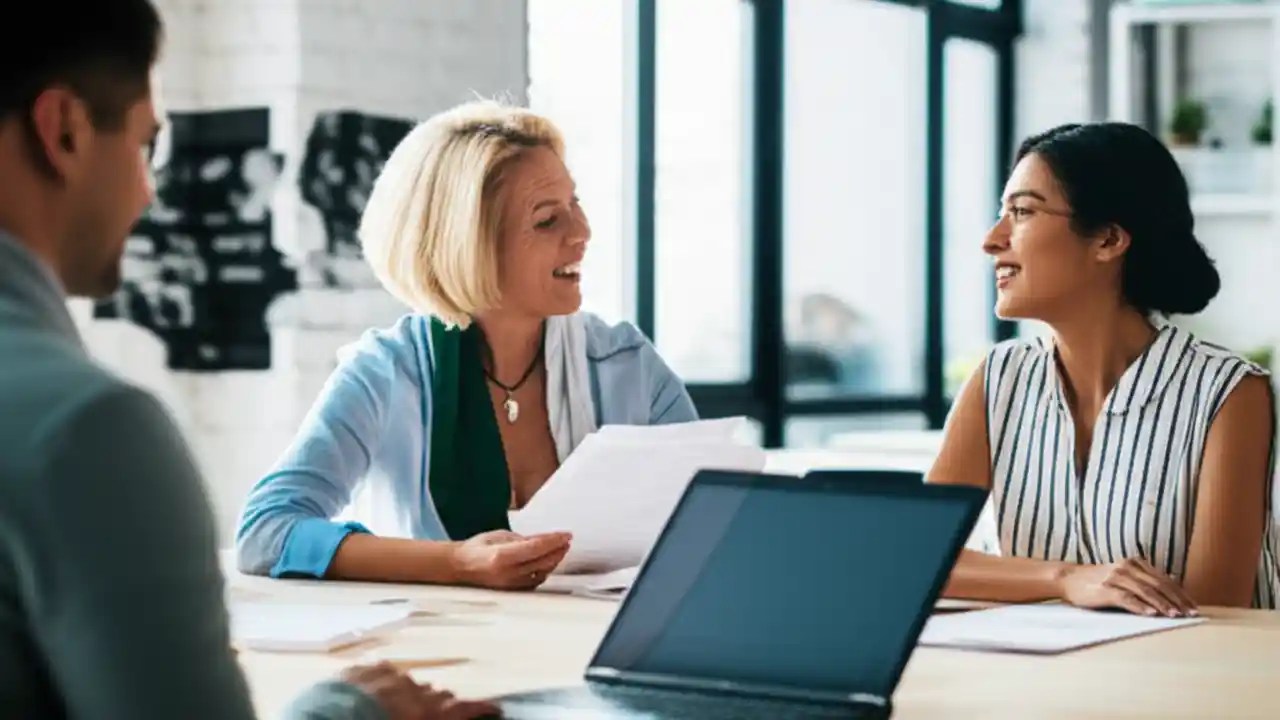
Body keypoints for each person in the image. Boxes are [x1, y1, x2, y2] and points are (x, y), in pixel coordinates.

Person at [0, 2, 493, 717]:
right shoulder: (87, 433)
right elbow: (271, 526)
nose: (148, 192)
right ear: (65, 132)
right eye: (147, 148)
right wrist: (343, 710)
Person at [236, 100, 697, 589]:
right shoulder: (386, 372)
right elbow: (266, 532)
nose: (582, 233)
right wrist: (454, 563)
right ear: (470, 243)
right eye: (547, 220)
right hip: (436, 657)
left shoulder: (627, 366)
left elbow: (714, 525)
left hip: (592, 655)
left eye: (575, 205)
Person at [929, 122, 1279, 614]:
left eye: (1023, 212)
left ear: (1109, 240)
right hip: (1046, 674)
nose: (992, 239)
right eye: (1001, 214)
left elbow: (1213, 610)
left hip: (1191, 681)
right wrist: (1066, 578)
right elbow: (923, 558)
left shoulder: (1228, 393)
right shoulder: (997, 380)